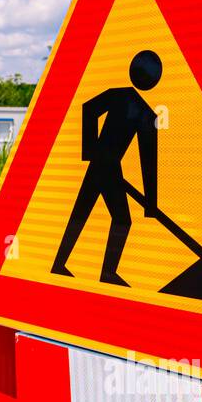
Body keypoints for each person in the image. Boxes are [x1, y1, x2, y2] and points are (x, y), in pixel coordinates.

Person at [51, 50, 162, 285]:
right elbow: (148, 161)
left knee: (80, 212)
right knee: (122, 220)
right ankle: (107, 274)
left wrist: (92, 152)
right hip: (109, 167)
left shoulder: (120, 97)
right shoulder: (145, 113)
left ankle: (59, 264)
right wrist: (150, 203)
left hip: (101, 164)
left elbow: (89, 110)